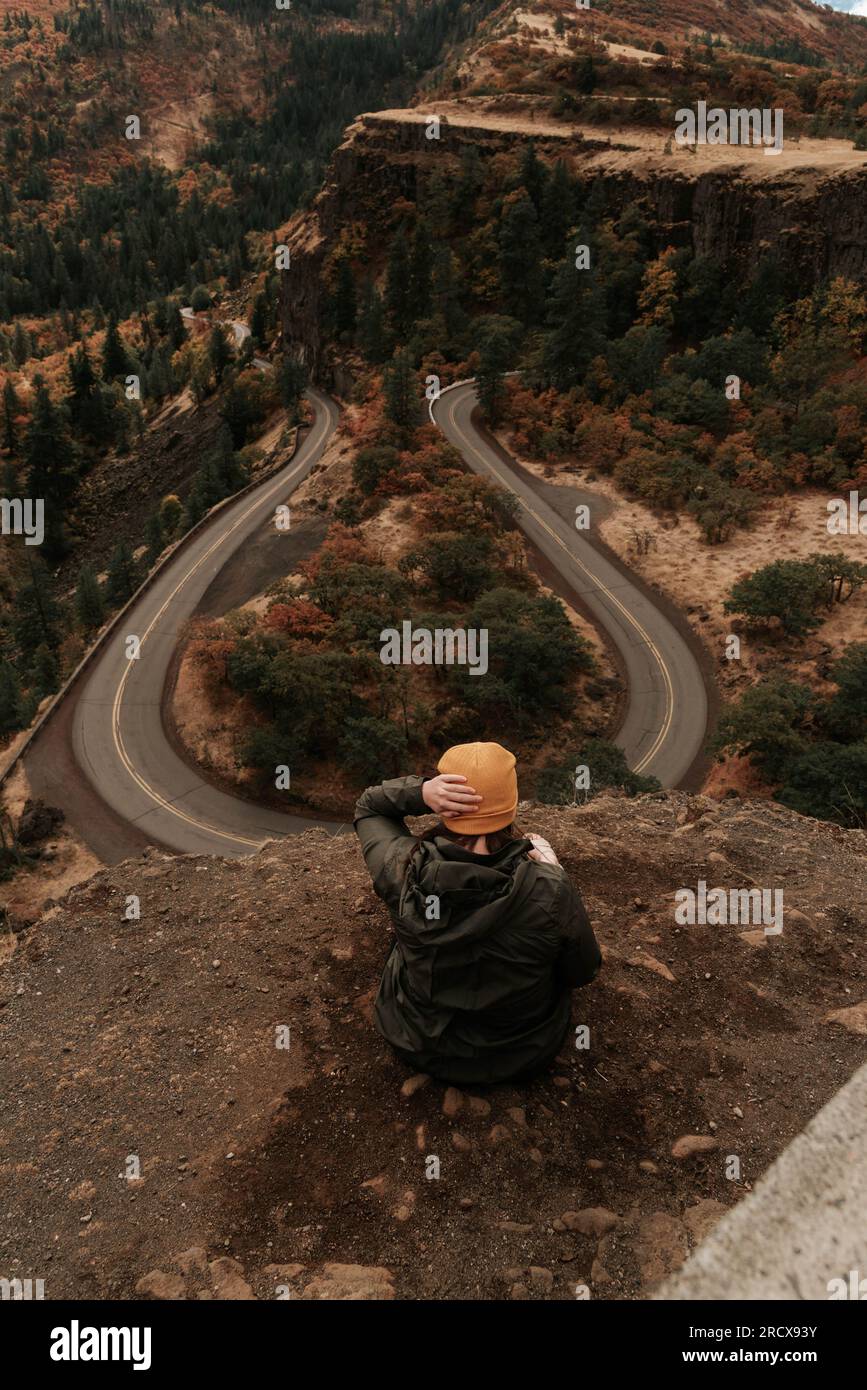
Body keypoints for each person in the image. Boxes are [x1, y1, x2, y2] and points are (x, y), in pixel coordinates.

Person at [353, 741, 601, 1085]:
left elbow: (369, 807)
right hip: (520, 1053)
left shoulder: (399, 869)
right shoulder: (550, 889)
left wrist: (420, 792)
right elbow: (582, 971)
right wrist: (554, 871)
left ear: (445, 802)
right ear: (510, 807)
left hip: (420, 1042)